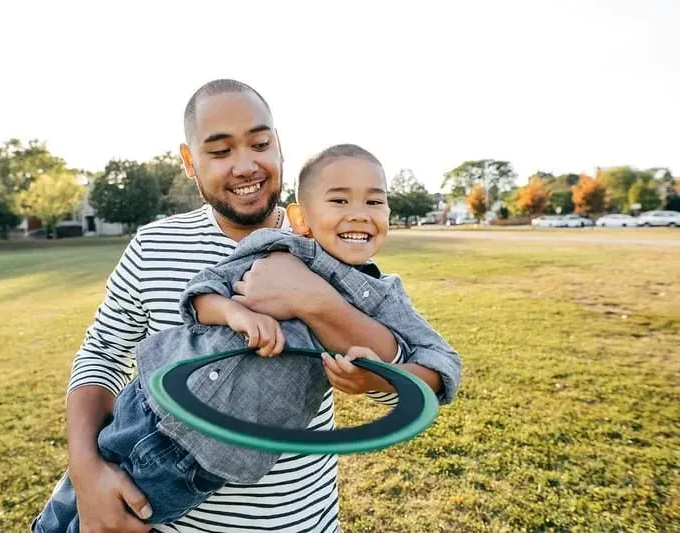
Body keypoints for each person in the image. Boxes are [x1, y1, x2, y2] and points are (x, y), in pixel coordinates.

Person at [41, 79, 454, 533]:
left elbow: (400, 383)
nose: (245, 165)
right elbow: (101, 355)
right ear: (189, 162)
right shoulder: (153, 247)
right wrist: (84, 472)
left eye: (260, 143)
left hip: (295, 521)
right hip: (149, 467)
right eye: (219, 151)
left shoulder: (345, 255)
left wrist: (314, 302)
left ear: (278, 145)